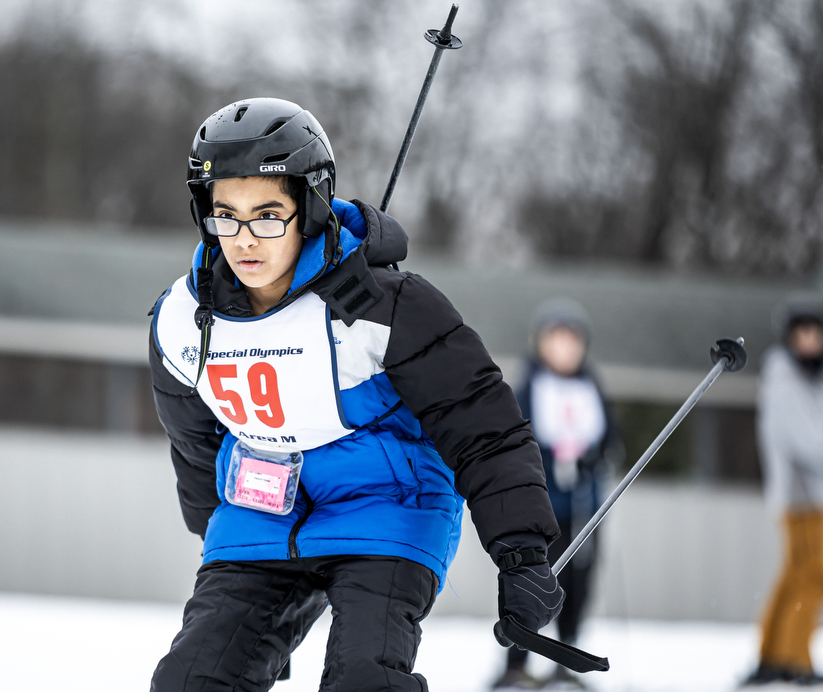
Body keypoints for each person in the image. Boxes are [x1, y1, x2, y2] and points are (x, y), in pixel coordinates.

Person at [147, 97, 564, 692]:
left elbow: (483, 426)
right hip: (261, 517)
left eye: (268, 215)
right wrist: (217, 557)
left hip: (388, 507)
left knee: (363, 680)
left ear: (310, 209)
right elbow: (193, 443)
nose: (244, 240)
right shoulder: (183, 322)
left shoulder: (386, 305)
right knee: (190, 680)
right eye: (225, 215)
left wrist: (521, 551)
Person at [493, 299, 622, 690]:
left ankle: (567, 651)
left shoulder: (591, 386)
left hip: (583, 506)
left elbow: (610, 440)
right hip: (540, 506)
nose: (565, 349)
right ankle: (516, 661)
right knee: (530, 578)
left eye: (572, 341)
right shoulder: (529, 386)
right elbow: (514, 442)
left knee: (579, 580)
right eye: (557, 340)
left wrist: (594, 458)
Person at [744, 295, 823, 686]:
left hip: (814, 495)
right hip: (803, 497)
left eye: (816, 332)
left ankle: (773, 654)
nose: (810, 339)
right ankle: (796, 659)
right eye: (802, 332)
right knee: (813, 577)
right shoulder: (785, 379)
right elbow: (809, 443)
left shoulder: (812, 377)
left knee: (795, 576)